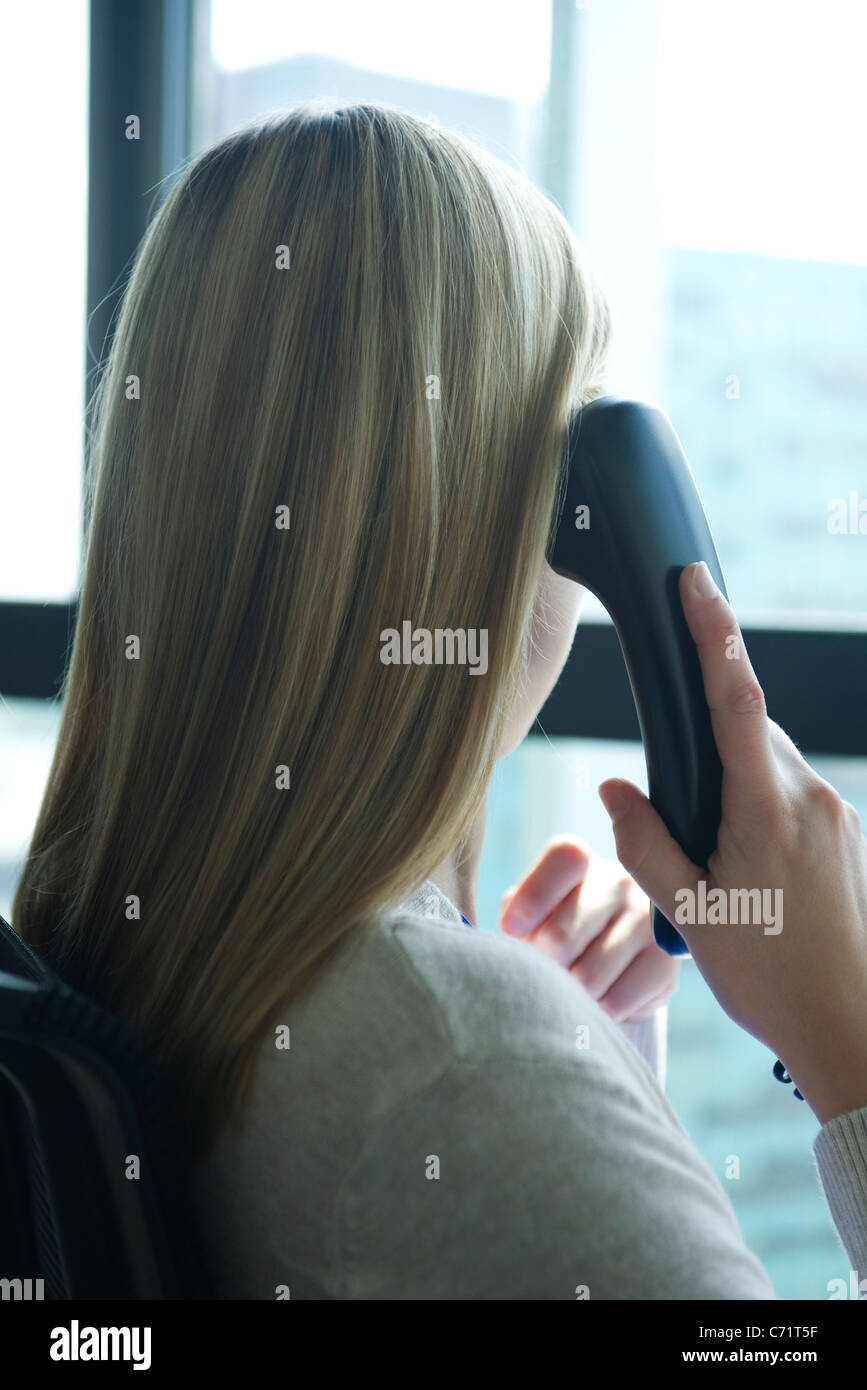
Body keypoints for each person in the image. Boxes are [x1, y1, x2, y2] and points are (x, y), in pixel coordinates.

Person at [13, 103, 867, 1299]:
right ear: (563, 518)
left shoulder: (100, 929)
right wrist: (849, 1041)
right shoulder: (461, 1066)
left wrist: (592, 1096)